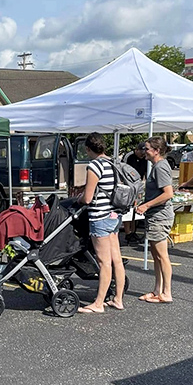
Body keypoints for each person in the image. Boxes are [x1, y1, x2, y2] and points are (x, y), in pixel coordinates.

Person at [77, 132, 125, 313]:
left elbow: (88, 198)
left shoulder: (95, 165)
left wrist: (79, 198)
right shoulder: (112, 163)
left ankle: (98, 304)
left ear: (88, 149)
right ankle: (118, 299)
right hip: (114, 215)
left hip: (100, 217)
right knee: (116, 260)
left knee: (104, 262)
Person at [135, 137, 174, 303]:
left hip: (160, 216)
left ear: (156, 151)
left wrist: (147, 205)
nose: (144, 151)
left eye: (147, 148)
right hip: (155, 216)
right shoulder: (157, 166)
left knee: (162, 256)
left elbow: (168, 193)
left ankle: (167, 293)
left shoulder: (160, 167)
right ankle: (158, 290)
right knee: (156, 255)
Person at [122, 143, 146, 245]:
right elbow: (122, 169)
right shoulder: (129, 156)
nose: (143, 154)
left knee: (135, 208)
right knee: (128, 210)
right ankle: (128, 232)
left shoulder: (145, 158)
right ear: (136, 150)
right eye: (141, 152)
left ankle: (133, 231)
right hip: (128, 184)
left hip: (138, 185)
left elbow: (145, 172)